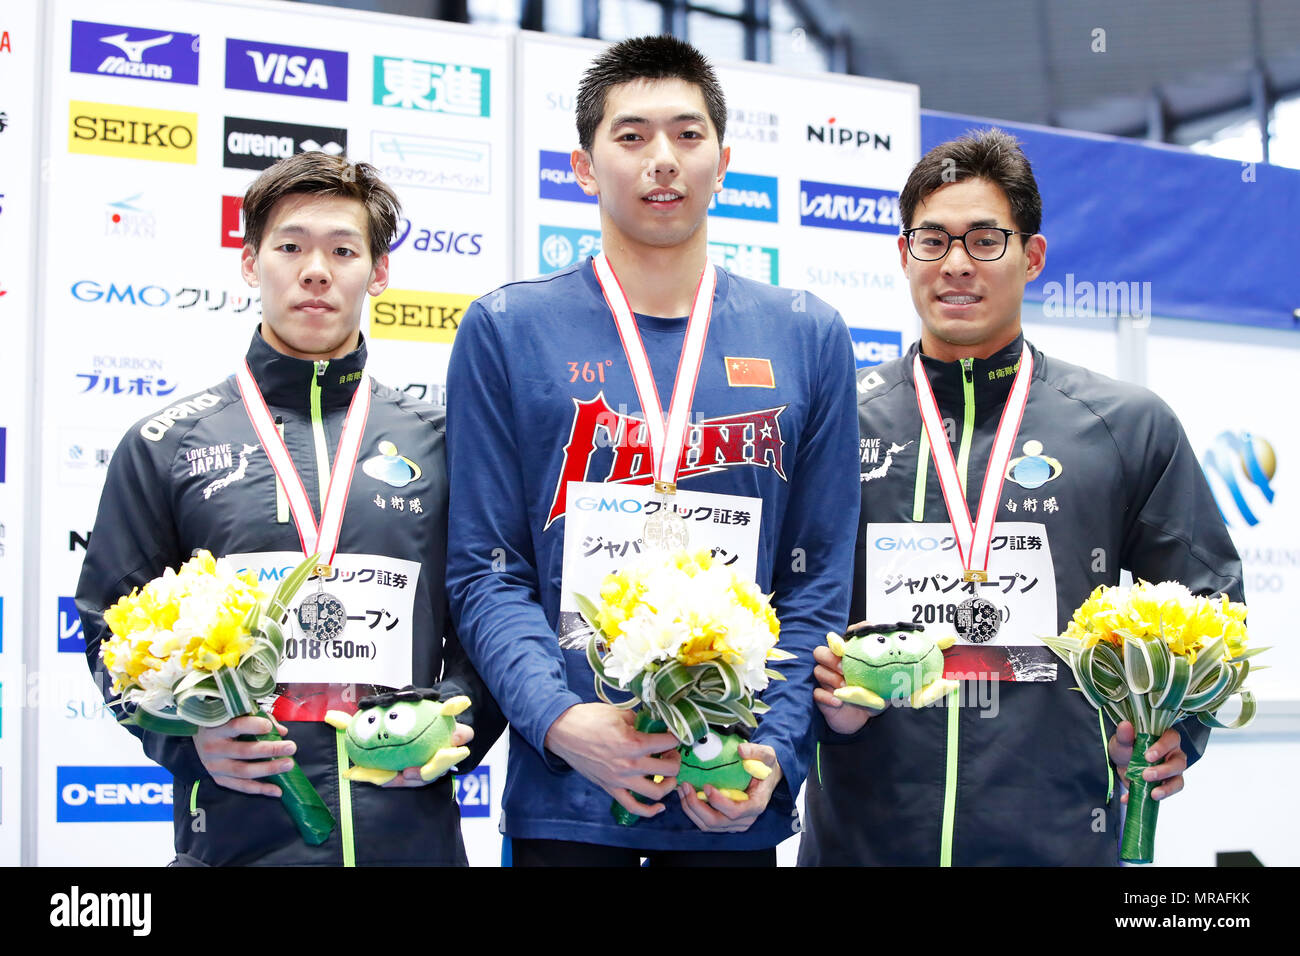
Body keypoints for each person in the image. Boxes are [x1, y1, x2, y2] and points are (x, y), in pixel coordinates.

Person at [445, 35, 859, 865]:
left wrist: (774, 748)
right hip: (565, 793)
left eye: (687, 134)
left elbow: (817, 579)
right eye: (631, 137)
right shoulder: (507, 329)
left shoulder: (807, 333)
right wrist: (560, 723)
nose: (662, 159)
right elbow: (487, 568)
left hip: (730, 788)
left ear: (723, 160)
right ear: (584, 167)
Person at [799, 129, 1244, 866]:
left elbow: (1211, 604)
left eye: (984, 240)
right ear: (903, 255)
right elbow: (781, 611)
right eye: (932, 241)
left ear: (1032, 257)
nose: (957, 266)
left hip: (1058, 841)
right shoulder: (837, 421)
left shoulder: (1123, 425)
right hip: (865, 842)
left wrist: (1177, 729)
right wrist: (816, 711)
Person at [76, 151, 502, 866]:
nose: (316, 270)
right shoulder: (166, 444)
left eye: (343, 249)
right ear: (250, 263)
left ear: (380, 272)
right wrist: (184, 735)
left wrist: (459, 719)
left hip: (409, 832)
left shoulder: (445, 441)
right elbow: (106, 627)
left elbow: (490, 606)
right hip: (239, 833)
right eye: (290, 246)